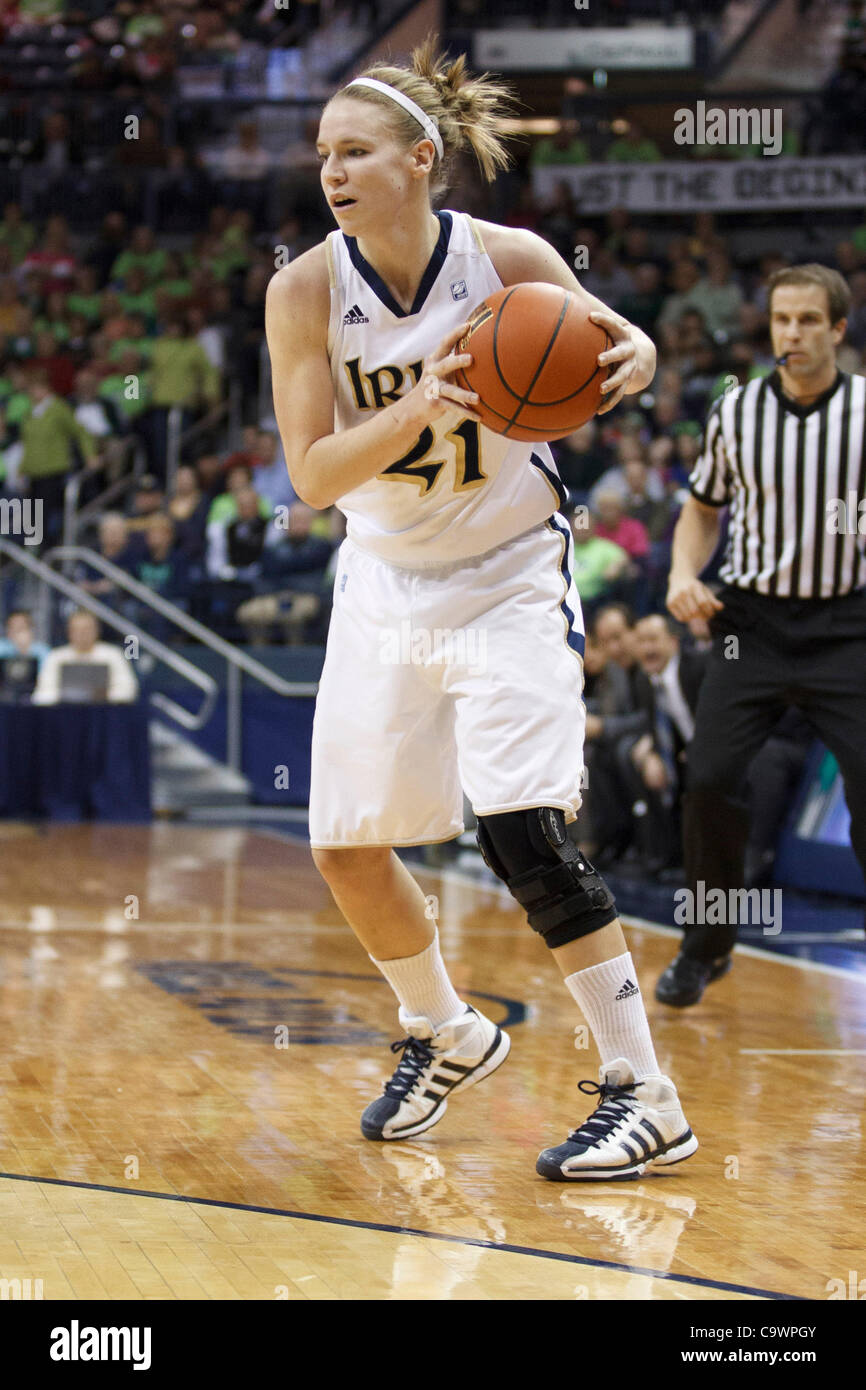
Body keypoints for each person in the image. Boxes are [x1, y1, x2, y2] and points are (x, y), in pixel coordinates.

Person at [266, 37, 698, 1180]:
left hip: (507, 569)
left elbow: (623, 341)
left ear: (421, 160)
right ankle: (446, 1027)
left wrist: (640, 351)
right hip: (382, 577)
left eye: (353, 151)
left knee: (520, 827)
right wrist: (416, 403)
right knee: (347, 848)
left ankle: (641, 1089)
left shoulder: (506, 259)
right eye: (321, 155)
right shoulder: (303, 288)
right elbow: (310, 477)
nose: (332, 172)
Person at [659, 263, 866, 1007]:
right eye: (782, 320)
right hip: (750, 625)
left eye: (810, 320)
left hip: (847, 625)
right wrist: (686, 571)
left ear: (838, 330)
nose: (793, 333)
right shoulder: (736, 412)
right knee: (710, 778)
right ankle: (706, 945)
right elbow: (701, 507)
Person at [32, 609, 139, 705]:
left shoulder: (113, 654)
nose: (82, 634)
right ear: (69, 632)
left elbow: (128, 690)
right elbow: (42, 694)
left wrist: (101, 697)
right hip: (63, 715)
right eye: (77, 630)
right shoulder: (56, 657)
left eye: (87, 629)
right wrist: (68, 697)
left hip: (104, 714)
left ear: (97, 630)